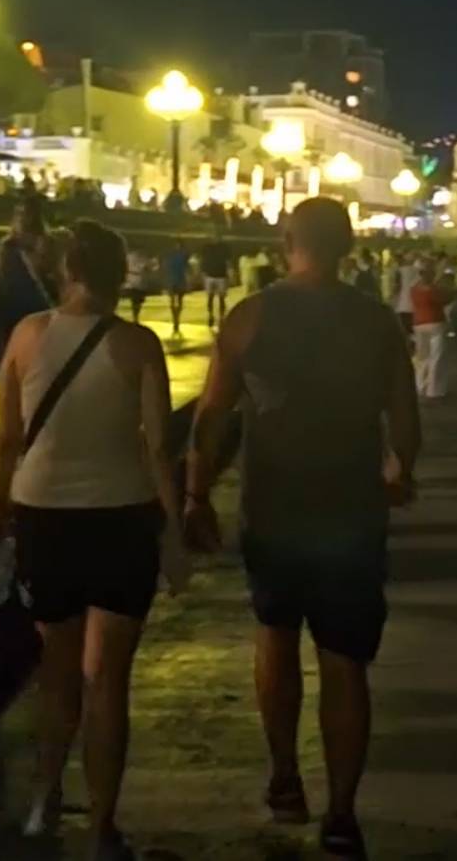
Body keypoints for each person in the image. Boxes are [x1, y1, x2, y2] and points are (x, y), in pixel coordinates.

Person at [183, 198, 421, 858]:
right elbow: (404, 419)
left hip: (273, 508)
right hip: (351, 511)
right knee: (345, 662)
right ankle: (341, 814)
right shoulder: (375, 321)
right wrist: (401, 471)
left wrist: (196, 493)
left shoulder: (249, 316)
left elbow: (211, 415)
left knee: (276, 636)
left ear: (286, 240)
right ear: (348, 246)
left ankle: (285, 778)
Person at [0, 220, 186, 859]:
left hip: (43, 514)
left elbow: (7, 438)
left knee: (57, 671)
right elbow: (158, 447)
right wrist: (174, 530)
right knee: (108, 681)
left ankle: (44, 799)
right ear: (119, 274)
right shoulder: (137, 344)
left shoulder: (27, 335)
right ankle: (102, 825)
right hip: (122, 518)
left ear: (65, 270)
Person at [0, 195, 58, 330]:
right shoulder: (7, 244)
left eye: (26, 213)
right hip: (10, 304)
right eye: (19, 213)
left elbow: (49, 273)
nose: (22, 217)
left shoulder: (44, 242)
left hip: (36, 305)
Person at [408, 259, 451, 401]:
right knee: (436, 357)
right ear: (428, 274)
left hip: (418, 324)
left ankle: (419, 386)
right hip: (435, 323)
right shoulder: (433, 290)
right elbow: (445, 299)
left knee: (422, 357)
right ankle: (434, 390)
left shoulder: (414, 289)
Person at [198, 231, 234, 328]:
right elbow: (203, 260)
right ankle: (211, 315)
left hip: (219, 275)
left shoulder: (223, 248)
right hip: (212, 275)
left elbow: (228, 262)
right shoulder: (207, 248)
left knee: (220, 298)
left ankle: (220, 316)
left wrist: (230, 273)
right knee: (211, 297)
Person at [160, 240, 192, 334]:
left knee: (173, 301)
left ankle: (175, 318)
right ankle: (177, 318)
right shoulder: (184, 257)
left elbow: (165, 268)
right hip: (180, 281)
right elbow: (187, 269)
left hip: (172, 281)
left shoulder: (170, 257)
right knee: (179, 301)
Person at [120, 242, 154, 324]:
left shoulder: (128, 256)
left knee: (134, 299)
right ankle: (135, 317)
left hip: (131, 280)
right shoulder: (141, 257)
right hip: (137, 281)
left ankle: (135, 317)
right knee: (137, 300)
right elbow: (148, 267)